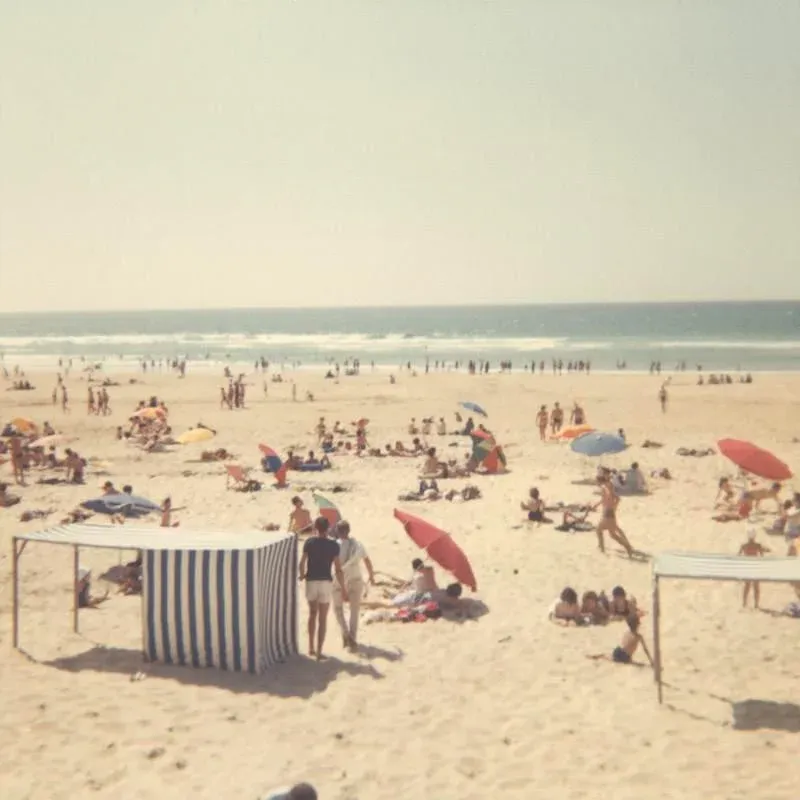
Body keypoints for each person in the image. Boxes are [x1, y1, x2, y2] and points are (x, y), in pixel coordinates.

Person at [298, 517, 347, 660]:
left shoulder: (309, 542)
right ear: (328, 528)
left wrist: (302, 575)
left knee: (312, 614)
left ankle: (310, 647)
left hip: (311, 580)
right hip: (325, 581)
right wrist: (343, 588)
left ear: (315, 527)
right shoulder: (333, 545)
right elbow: (338, 569)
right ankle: (319, 651)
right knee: (323, 618)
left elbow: (302, 563)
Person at [331, 520, 375, 650]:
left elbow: (333, 565)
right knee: (354, 611)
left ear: (337, 532)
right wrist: (371, 576)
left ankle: (345, 633)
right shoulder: (358, 545)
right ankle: (352, 638)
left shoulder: (334, 546)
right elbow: (367, 561)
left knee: (338, 610)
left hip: (339, 580)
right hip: (355, 579)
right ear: (349, 530)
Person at [589, 614, 654, 666]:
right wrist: (651, 661)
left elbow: (625, 644)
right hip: (624, 656)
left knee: (607, 656)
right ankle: (600, 656)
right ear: (638, 624)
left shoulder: (627, 633)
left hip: (617, 650)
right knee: (637, 664)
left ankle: (598, 656)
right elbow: (645, 650)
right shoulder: (638, 636)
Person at [593, 475, 635, 557]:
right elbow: (611, 498)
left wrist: (611, 504)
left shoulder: (604, 487)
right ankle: (627, 547)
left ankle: (602, 548)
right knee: (612, 534)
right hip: (610, 512)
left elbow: (609, 496)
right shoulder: (606, 487)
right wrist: (597, 505)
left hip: (607, 513)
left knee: (599, 530)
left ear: (599, 481)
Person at [738, 530, 770, 609]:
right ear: (754, 536)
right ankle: (756, 604)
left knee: (747, 586)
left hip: (747, 567)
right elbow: (762, 556)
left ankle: (744, 603)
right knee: (756, 587)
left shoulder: (744, 545)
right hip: (755, 566)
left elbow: (738, 556)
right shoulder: (757, 545)